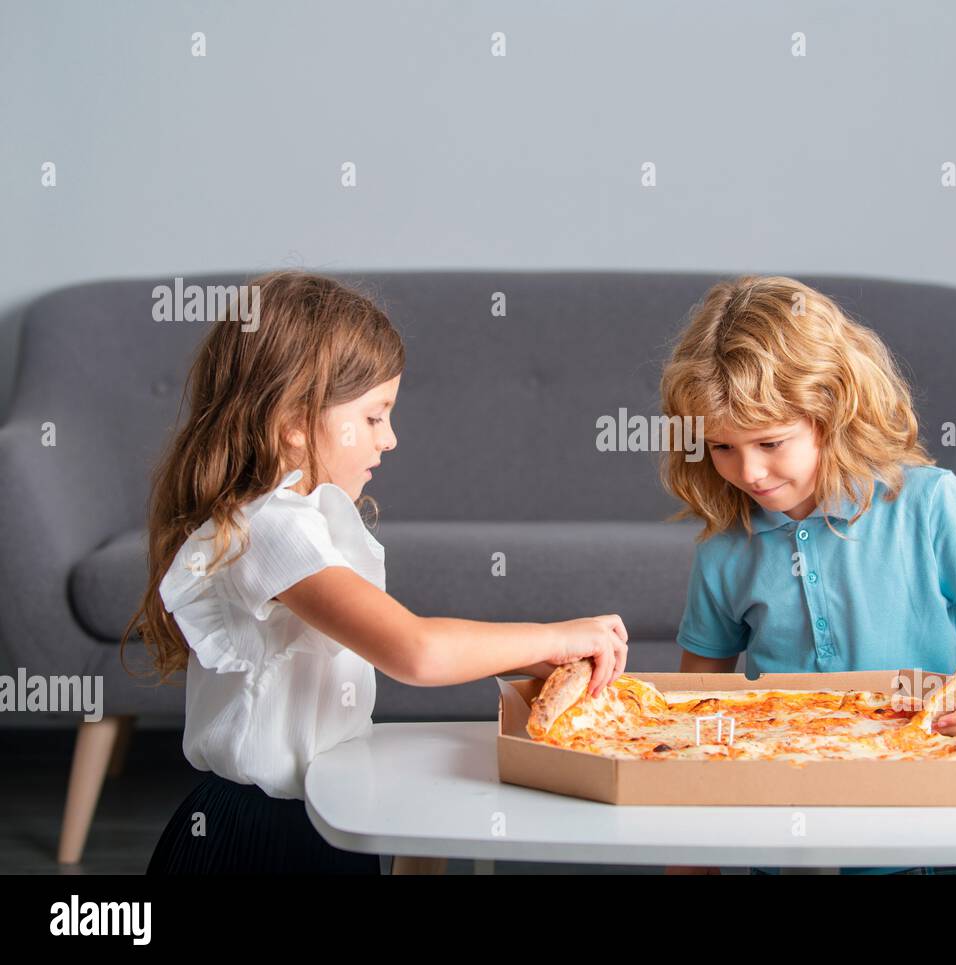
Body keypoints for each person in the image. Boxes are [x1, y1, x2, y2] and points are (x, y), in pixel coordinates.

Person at [125, 270, 627, 873]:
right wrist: (555, 635)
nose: (389, 438)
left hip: (314, 818)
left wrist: (530, 661)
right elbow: (413, 650)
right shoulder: (273, 529)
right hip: (261, 841)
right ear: (292, 422)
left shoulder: (296, 520)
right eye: (373, 416)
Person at [656, 275, 956, 875]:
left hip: (935, 834)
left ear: (832, 411)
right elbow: (694, 715)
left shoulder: (927, 504)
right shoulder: (725, 550)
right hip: (788, 840)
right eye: (723, 448)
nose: (749, 471)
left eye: (771, 442)